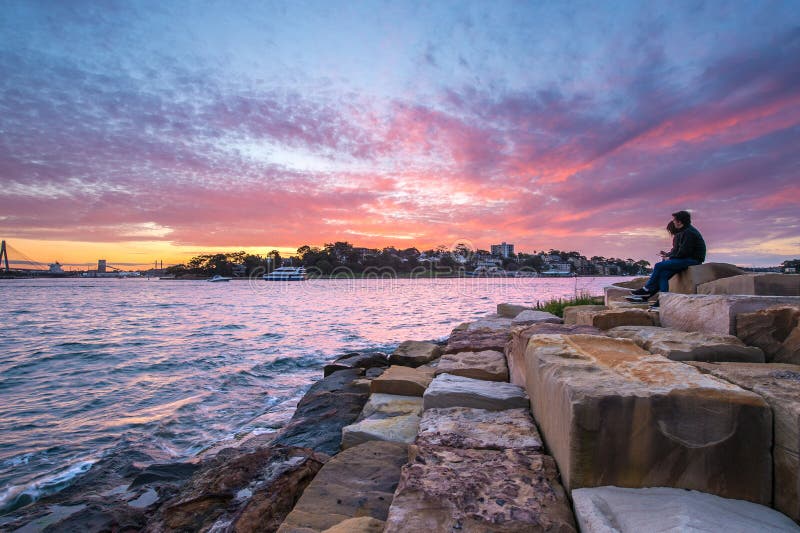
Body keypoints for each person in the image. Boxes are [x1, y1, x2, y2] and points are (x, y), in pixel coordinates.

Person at [627, 210, 706, 307]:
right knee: (664, 274)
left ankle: (646, 290)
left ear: (679, 222)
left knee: (658, 266)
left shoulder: (689, 232)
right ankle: (662, 300)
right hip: (685, 258)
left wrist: (670, 258)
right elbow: (676, 250)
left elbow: (685, 252)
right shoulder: (683, 232)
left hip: (693, 260)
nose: (673, 222)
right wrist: (668, 255)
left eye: (674, 220)